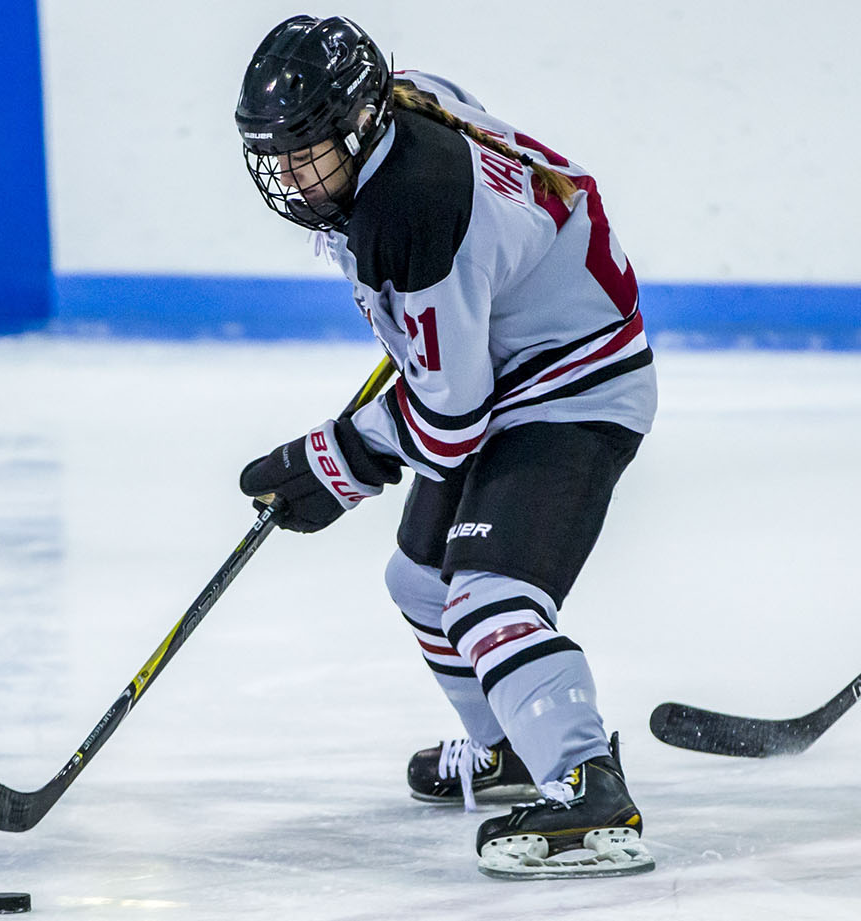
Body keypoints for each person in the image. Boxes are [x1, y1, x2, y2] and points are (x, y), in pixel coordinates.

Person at [233, 15, 658, 880]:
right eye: (275, 153)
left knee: (485, 599)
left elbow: (450, 424)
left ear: (358, 127)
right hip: (517, 366)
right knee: (419, 581)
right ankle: (508, 743)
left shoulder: (413, 206)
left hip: (572, 389)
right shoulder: (404, 106)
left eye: (307, 150)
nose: (289, 173)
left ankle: (589, 789)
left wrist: (336, 455)